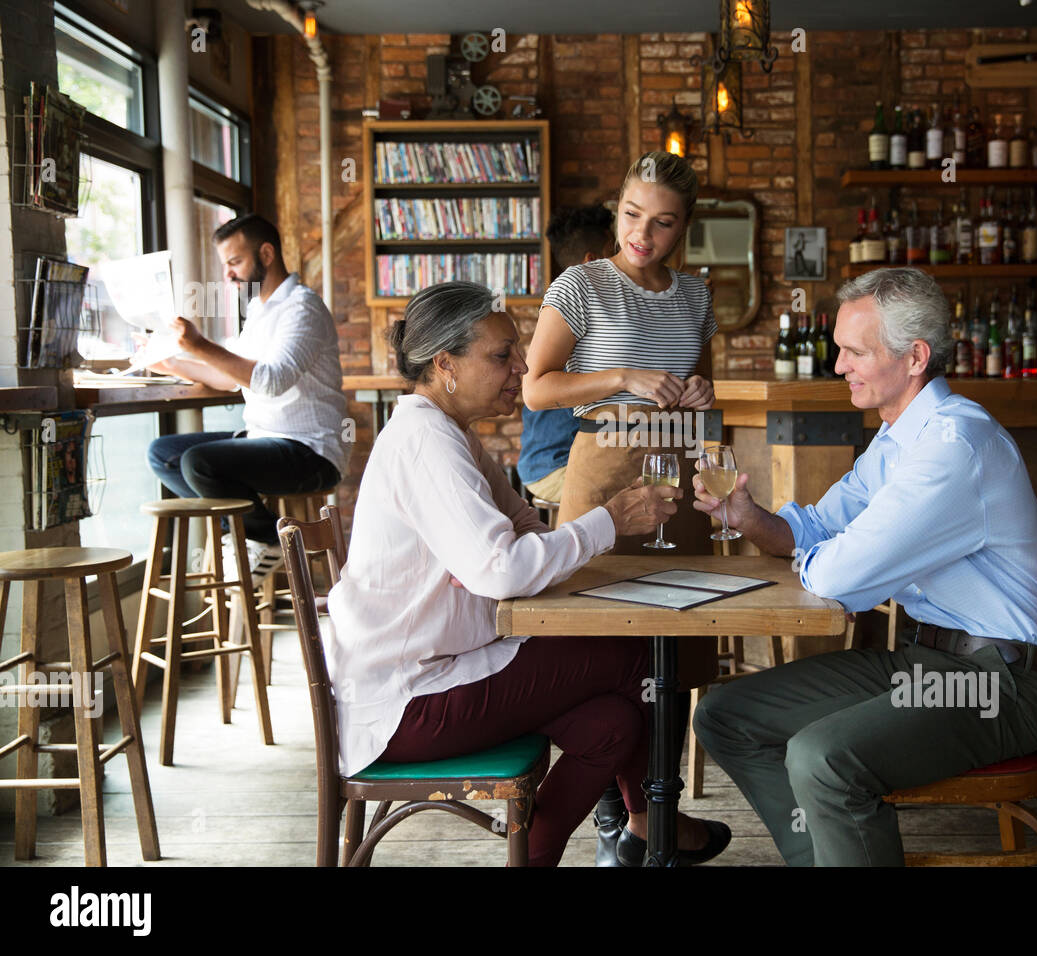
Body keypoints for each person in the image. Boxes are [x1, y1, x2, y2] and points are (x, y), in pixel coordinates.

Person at [325, 281, 730, 867]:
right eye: (501, 355)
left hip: (442, 664)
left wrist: (547, 547)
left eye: (516, 352)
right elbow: (502, 570)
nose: (521, 367)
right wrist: (608, 521)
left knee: (611, 725)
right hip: (405, 701)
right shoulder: (424, 443)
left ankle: (546, 851)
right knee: (636, 655)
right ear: (445, 365)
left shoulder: (451, 434)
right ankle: (651, 825)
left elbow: (523, 534)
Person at [691, 267, 1037, 867]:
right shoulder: (895, 443)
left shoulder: (953, 447)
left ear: (914, 357)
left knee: (823, 758)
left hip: (999, 682)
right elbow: (817, 528)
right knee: (726, 715)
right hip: (926, 660)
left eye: (853, 351)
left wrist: (829, 556)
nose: (838, 366)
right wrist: (749, 517)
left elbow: (842, 578)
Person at [522, 150, 722, 865]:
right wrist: (623, 376)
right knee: (602, 650)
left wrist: (700, 400)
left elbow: (704, 395)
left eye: (663, 223)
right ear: (618, 209)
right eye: (634, 215)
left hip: (677, 472)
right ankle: (621, 818)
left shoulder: (695, 297)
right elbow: (536, 388)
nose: (644, 233)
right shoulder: (581, 285)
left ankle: (653, 819)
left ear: (685, 228)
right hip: (603, 472)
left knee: (675, 651)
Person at [142, 213, 349, 563]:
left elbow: (269, 381)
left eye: (235, 261)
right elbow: (231, 377)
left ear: (266, 254)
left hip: (311, 450)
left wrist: (200, 346)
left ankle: (265, 538)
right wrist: (170, 363)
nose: (228, 274)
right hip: (263, 439)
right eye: (225, 264)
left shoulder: (302, 308)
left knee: (199, 463)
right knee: (163, 453)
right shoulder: (257, 310)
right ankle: (247, 530)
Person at [517, 205, 617, 506]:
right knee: (658, 487)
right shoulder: (577, 315)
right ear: (593, 261)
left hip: (543, 462)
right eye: (615, 251)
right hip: (557, 466)